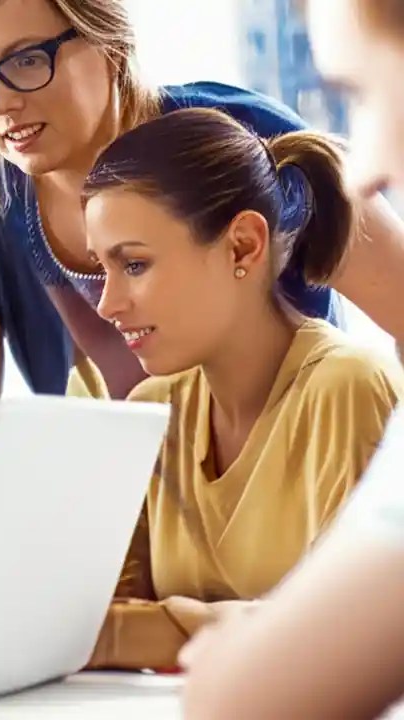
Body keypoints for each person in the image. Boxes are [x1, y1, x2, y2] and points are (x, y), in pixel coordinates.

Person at [0, 0, 404, 541]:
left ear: (110, 44)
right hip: (143, 544)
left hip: (315, 527)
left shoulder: (236, 138)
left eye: (27, 61)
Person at [73, 106, 403, 671]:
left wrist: (143, 634)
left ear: (243, 246)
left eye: (134, 265)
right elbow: (104, 618)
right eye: (103, 269)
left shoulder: (348, 392)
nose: (107, 304)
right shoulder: (153, 410)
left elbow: (347, 638)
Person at [180, 2, 404, 716]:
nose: (366, 171)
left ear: (244, 247)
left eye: (368, 93)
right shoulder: (158, 405)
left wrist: (242, 647)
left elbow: (243, 700)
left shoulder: (345, 381)